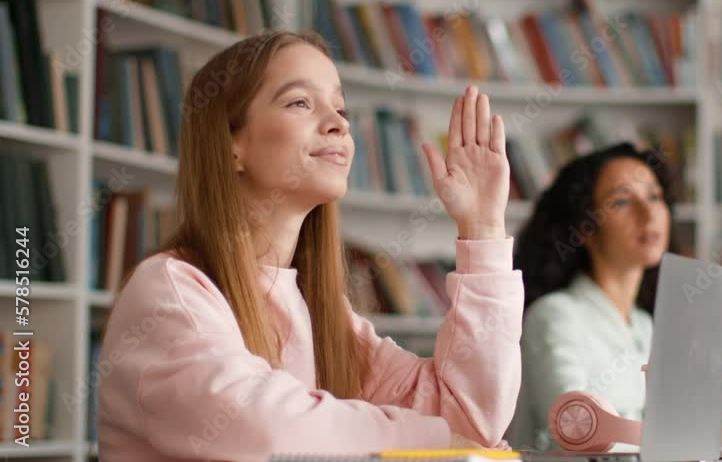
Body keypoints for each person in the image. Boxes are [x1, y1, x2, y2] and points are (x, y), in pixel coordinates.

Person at [97, 31, 523, 462]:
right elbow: (261, 430)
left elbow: (468, 420)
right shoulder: (169, 290)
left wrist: (483, 227)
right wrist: (430, 440)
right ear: (231, 145)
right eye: (300, 102)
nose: (339, 122)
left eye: (340, 107)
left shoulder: (324, 315)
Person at [506, 143, 722, 451]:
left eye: (654, 196)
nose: (648, 213)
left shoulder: (651, 327)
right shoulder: (554, 315)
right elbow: (574, 430)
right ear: (584, 228)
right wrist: (690, 439)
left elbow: (721, 427)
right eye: (622, 201)